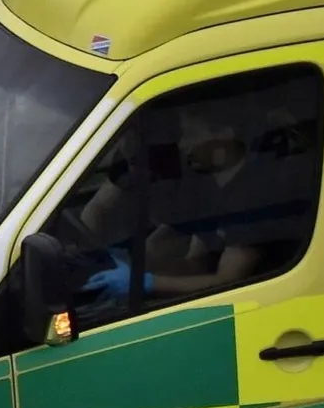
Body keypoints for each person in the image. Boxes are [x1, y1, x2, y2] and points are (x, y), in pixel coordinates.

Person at [78, 96, 311, 305]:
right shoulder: (212, 186)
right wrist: (133, 267)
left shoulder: (255, 195)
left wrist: (146, 282)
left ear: (224, 136)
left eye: (192, 133)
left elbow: (228, 281)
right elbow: (197, 261)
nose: (183, 144)